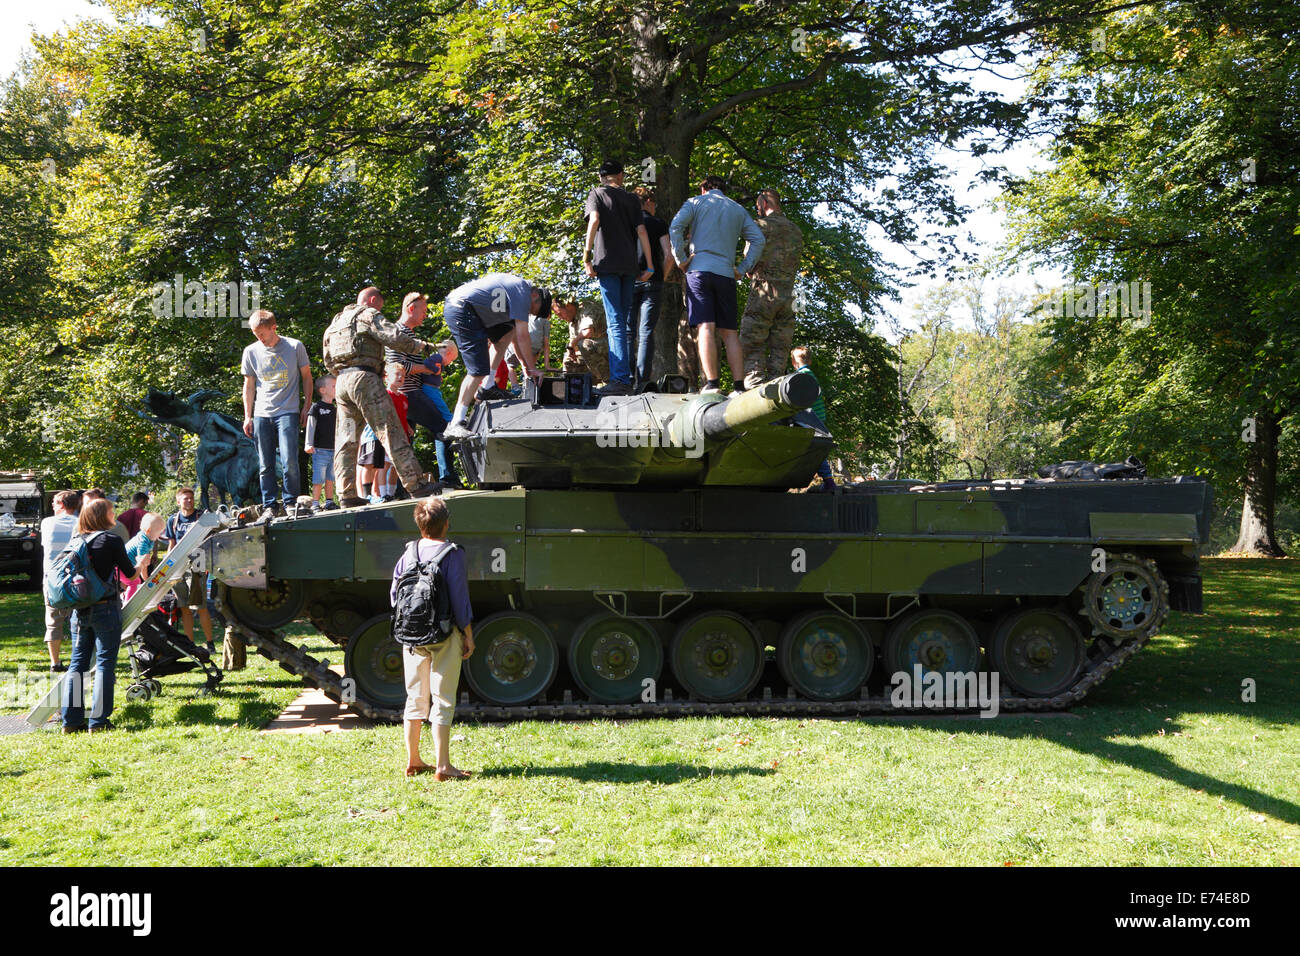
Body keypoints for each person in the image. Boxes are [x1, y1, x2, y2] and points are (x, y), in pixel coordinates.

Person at [323, 287, 442, 507]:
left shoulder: (336, 323)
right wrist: (422, 347)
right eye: (380, 306)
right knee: (390, 430)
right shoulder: (367, 314)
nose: (380, 310)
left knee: (346, 440)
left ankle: (346, 494)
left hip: (342, 383)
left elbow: (327, 358)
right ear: (372, 300)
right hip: (365, 379)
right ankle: (415, 484)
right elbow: (393, 336)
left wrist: (343, 374)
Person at [394, 496, 474, 779]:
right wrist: (467, 634)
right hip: (443, 635)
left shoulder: (409, 552)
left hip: (412, 636)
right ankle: (443, 766)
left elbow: (395, 595)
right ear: (446, 524)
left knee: (415, 698)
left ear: (419, 524)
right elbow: (460, 599)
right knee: (442, 699)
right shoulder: (452, 554)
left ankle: (414, 760)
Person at [669, 175, 765, 393]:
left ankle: (712, 384)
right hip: (725, 274)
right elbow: (758, 239)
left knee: (706, 327)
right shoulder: (737, 210)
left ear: (704, 189)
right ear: (724, 190)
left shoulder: (695, 202)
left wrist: (681, 259)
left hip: (699, 271)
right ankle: (739, 386)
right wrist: (742, 269)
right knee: (730, 332)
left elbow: (675, 227)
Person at [60, 498, 139, 733]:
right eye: (111, 511)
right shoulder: (111, 539)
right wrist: (142, 564)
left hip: (79, 609)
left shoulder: (76, 540)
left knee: (77, 664)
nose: (114, 514)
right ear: (102, 515)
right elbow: (130, 574)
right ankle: (98, 721)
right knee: (105, 664)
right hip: (105, 608)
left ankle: (71, 722)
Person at [440, 274, 550, 441]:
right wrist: (533, 369)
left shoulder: (516, 295)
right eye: (531, 310)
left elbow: (513, 339)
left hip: (476, 312)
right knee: (477, 371)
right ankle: (455, 423)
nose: (528, 313)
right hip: (461, 308)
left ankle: (488, 386)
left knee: (508, 331)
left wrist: (526, 368)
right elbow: (523, 336)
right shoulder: (522, 290)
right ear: (535, 296)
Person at [583, 160, 655, 396]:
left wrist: (587, 256)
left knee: (615, 321)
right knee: (624, 323)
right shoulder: (633, 199)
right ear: (621, 176)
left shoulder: (596, 193)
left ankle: (620, 379)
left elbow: (594, 221)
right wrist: (650, 265)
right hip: (630, 266)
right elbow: (642, 231)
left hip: (608, 264)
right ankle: (625, 376)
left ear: (601, 176)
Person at [384, 294, 464, 489]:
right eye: (424, 311)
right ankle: (448, 479)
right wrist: (427, 370)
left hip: (410, 394)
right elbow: (398, 365)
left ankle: (406, 487)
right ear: (411, 309)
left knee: (406, 442)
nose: (425, 316)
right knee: (444, 429)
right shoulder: (398, 333)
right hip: (408, 394)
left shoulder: (408, 334)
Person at [241, 309, 313, 523]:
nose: (259, 338)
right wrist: (248, 416)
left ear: (274, 328)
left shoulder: (294, 346)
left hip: (288, 411)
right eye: (255, 334)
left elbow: (307, 377)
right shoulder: (251, 351)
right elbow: (249, 386)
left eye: (262, 333)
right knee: (265, 463)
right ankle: (270, 506)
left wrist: (306, 406)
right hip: (262, 413)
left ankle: (290, 503)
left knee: (290, 460)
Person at [741, 190, 805, 389]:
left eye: (758, 204)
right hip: (789, 294)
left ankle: (755, 389)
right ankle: (778, 385)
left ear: (764, 202)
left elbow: (748, 260)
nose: (757, 209)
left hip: (765, 291)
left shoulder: (759, 226)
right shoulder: (796, 230)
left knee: (751, 338)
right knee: (781, 345)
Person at [629, 186, 676, 387]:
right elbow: (669, 255)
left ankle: (627, 377)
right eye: (654, 204)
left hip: (629, 280)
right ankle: (643, 380)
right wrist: (662, 277)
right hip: (653, 281)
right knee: (646, 331)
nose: (655, 208)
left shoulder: (626, 223)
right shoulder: (658, 223)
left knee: (628, 331)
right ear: (648, 201)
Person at [162, 488, 216, 654]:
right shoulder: (173, 520)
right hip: (179, 564)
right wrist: (167, 566)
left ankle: (210, 643)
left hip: (197, 562)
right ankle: (190, 644)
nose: (189, 501)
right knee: (183, 607)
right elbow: (171, 544)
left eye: (191, 498)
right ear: (178, 502)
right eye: (185, 499)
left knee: (200, 606)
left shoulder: (202, 517)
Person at [40, 490, 81, 672]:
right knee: (78, 619)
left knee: (53, 621)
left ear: (62, 505)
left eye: (55, 504)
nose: (53, 507)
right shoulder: (81, 523)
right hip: (75, 578)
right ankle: (78, 658)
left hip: (52, 579)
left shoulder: (47, 523)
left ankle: (55, 662)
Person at [417, 340, 464, 488]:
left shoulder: (439, 360)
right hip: (430, 391)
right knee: (445, 421)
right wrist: (436, 371)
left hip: (432, 390)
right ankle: (453, 420)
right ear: (448, 353)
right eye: (452, 360)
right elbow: (428, 364)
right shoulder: (437, 358)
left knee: (442, 428)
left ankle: (448, 475)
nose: (449, 363)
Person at [791, 346, 835, 491]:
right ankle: (826, 479)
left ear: (793, 362)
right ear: (809, 360)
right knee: (814, 448)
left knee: (815, 450)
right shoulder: (809, 374)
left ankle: (828, 480)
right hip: (816, 416)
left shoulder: (802, 376)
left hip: (811, 418)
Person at [556, 298, 610, 384]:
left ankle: (609, 381)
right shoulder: (572, 323)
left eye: (559, 314)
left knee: (584, 345)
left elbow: (587, 332)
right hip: (597, 354)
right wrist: (571, 352)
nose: (560, 318)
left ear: (568, 306)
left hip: (612, 348)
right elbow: (574, 347)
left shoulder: (586, 307)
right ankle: (580, 393)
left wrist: (572, 344)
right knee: (568, 360)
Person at [304, 375, 338, 510]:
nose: (337, 389)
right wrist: (308, 443)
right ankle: (315, 503)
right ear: (323, 390)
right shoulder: (316, 407)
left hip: (334, 450)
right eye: (334, 386)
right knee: (318, 478)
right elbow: (311, 426)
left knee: (331, 478)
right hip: (319, 450)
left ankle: (329, 501)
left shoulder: (336, 409)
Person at [121, 512, 164, 602]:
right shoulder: (143, 543)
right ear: (148, 530)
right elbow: (142, 564)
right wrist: (146, 579)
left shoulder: (145, 537)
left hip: (124, 566)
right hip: (121, 567)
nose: (159, 535)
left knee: (133, 582)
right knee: (135, 582)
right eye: (158, 532)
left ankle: (125, 595)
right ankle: (128, 603)